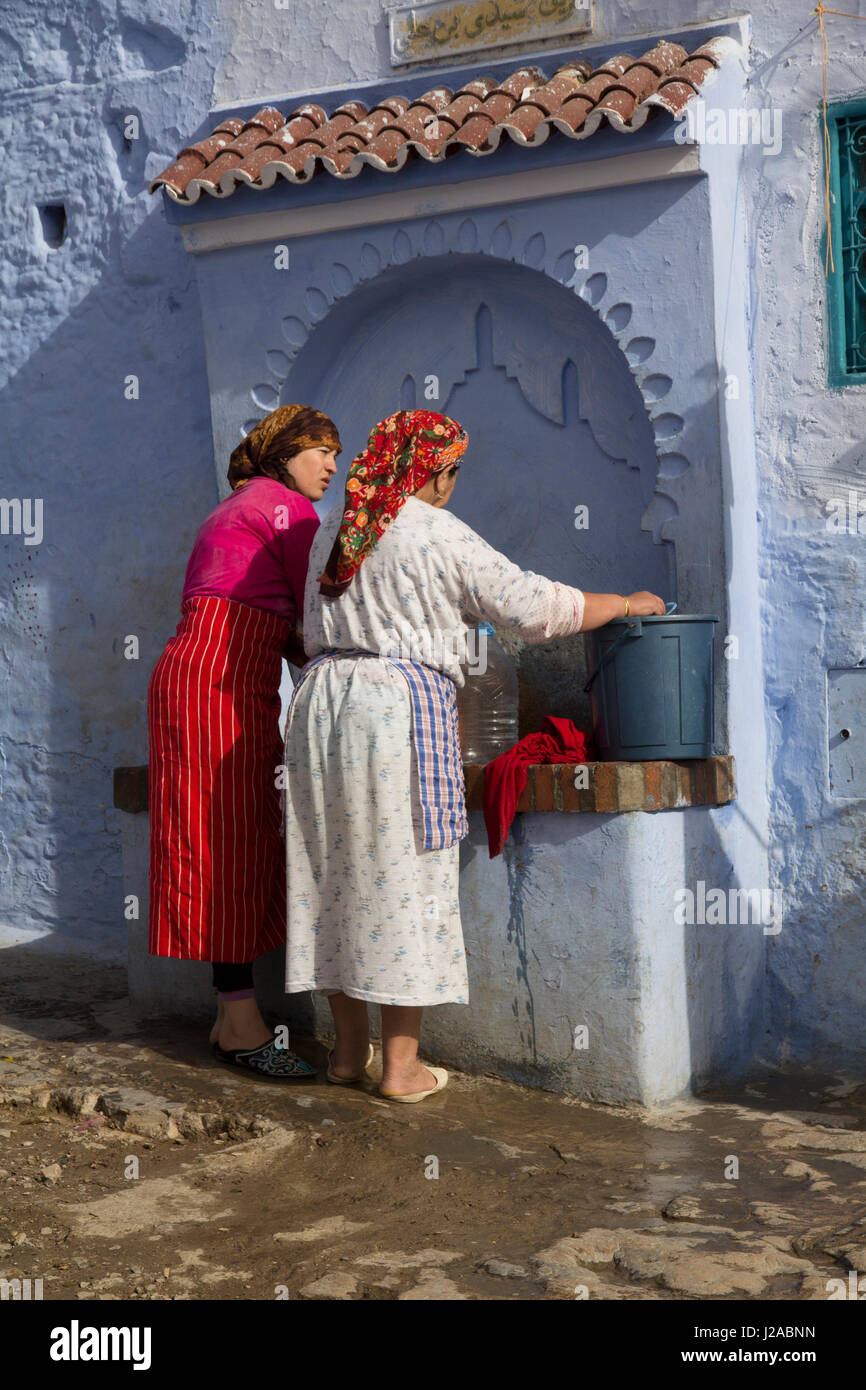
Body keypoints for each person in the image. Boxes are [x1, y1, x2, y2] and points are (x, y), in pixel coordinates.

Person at [282, 408, 665, 1101]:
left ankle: (346, 1053)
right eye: (452, 472)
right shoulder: (431, 529)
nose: (453, 486)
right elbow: (531, 606)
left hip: (319, 708)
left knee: (331, 870)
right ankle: (400, 1069)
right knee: (403, 878)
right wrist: (623, 602)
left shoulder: (336, 533)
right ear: (434, 472)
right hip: (391, 709)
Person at [147, 403, 341, 1077]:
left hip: (201, 680)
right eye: (320, 451)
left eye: (337, 455)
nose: (331, 466)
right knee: (230, 840)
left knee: (222, 836)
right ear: (285, 453)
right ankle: (237, 1021)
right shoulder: (291, 512)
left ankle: (233, 1009)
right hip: (220, 688)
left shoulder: (234, 506)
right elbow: (315, 622)